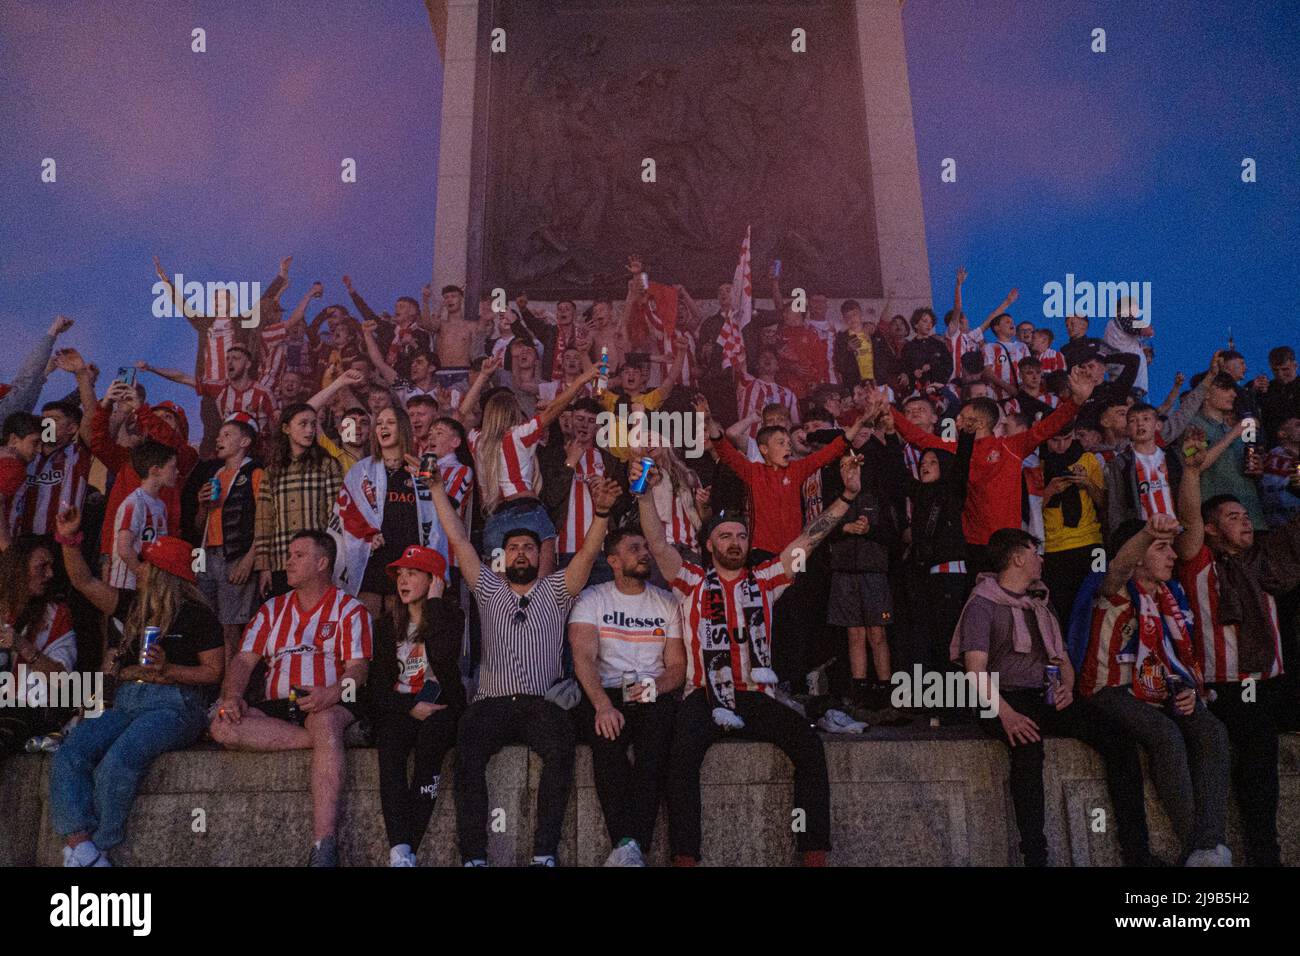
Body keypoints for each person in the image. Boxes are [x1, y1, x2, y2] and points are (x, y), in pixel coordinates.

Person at [634, 453, 862, 866]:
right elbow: (657, 543)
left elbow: (810, 538)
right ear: (709, 545)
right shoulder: (689, 581)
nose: (735, 543)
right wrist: (645, 496)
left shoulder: (768, 579)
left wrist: (846, 497)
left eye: (741, 536)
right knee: (680, 759)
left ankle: (813, 855)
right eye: (725, 536)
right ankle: (686, 858)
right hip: (704, 696)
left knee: (809, 746)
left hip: (755, 695)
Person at [427, 458, 620, 867]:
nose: (520, 553)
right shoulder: (489, 588)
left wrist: (601, 512)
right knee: (467, 754)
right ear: (503, 555)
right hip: (492, 702)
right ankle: (475, 857)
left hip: (541, 702)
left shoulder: (557, 589)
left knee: (562, 750)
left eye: (528, 547)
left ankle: (544, 854)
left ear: (539, 555)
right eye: (513, 547)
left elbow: (586, 553)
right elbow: (459, 540)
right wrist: (438, 491)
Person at [953, 528, 1155, 866]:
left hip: (1043, 695)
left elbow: (1062, 658)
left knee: (1118, 739)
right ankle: (1036, 856)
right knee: (1029, 749)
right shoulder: (982, 603)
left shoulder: (1040, 601)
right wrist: (1007, 715)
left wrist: (1066, 686)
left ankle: (1137, 853)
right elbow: (975, 670)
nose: (1041, 559)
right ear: (1017, 558)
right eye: (1035, 551)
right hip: (999, 698)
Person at [51, 505, 223, 867]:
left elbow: (213, 672)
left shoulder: (198, 615)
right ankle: (82, 848)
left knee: (118, 761)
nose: (137, 569)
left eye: (145, 564)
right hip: (129, 701)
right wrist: (68, 539)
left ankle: (98, 847)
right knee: (70, 752)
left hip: (175, 704)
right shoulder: (131, 605)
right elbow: (83, 582)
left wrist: (169, 668)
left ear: (164, 574)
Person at [210, 530, 373, 867]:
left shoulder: (350, 609)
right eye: (289, 554)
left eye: (299, 555)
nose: (288, 562)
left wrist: (332, 693)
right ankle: (324, 741)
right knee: (223, 726)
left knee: (325, 722)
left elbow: (359, 673)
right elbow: (243, 660)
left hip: (329, 700)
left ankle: (323, 846)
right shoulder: (271, 610)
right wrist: (233, 696)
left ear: (322, 562)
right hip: (279, 706)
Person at [1174, 435, 1300, 866]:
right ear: (1211, 528)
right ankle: (1260, 855)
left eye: (1247, 515)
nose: (1245, 522)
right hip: (1226, 688)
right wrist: (1191, 474)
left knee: (1263, 767)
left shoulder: (1262, 559)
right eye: (1233, 516)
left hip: (1271, 681)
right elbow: (1189, 518)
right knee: (1255, 768)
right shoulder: (1198, 560)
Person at [1077, 515, 1232, 865]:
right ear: (1139, 552)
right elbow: (1119, 566)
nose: (1173, 556)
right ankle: (1199, 848)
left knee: (1211, 730)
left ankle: (1209, 845)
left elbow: (1177, 658)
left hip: (1158, 691)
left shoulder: (1169, 595)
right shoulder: (1114, 586)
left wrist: (1189, 690)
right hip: (1108, 690)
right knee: (1165, 735)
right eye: (1161, 548)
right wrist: (1148, 532)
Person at [891, 366, 1096, 570]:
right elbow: (917, 437)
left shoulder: (1010, 447)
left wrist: (1076, 402)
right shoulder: (954, 450)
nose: (956, 421)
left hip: (1008, 544)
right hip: (971, 546)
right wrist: (885, 407)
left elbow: (1047, 428)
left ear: (979, 422)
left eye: (962, 417)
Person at [568, 527, 685, 866]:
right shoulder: (593, 598)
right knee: (607, 744)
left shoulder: (666, 601)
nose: (645, 553)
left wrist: (657, 686)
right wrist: (602, 705)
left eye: (646, 547)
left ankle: (628, 846)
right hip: (606, 691)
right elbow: (583, 659)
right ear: (614, 560)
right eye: (635, 548)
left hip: (653, 690)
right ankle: (628, 843)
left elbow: (677, 667)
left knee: (655, 749)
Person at [369, 545, 465, 867]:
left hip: (441, 709)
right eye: (400, 574)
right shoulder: (385, 627)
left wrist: (435, 604)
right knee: (390, 747)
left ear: (434, 579)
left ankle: (408, 846)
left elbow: (445, 659)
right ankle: (400, 850)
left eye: (413, 573)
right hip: (402, 707)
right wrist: (410, 706)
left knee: (430, 747)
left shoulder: (452, 617)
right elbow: (377, 687)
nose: (403, 580)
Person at [469, 366, 599, 578]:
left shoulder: (476, 440)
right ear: (514, 411)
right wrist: (582, 378)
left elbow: (461, 414)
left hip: (496, 518)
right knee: (541, 589)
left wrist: (482, 376)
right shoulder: (520, 435)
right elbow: (553, 410)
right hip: (528, 514)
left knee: (501, 593)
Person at [329, 404, 447, 616]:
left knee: (401, 628)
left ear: (402, 428)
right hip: (370, 560)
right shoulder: (361, 470)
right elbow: (346, 514)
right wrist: (366, 537)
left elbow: (437, 518)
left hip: (408, 562)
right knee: (366, 622)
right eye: (380, 423)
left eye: (390, 422)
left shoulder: (421, 469)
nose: (383, 427)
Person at [253, 404, 344, 598]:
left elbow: (337, 518)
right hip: (281, 561)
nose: (310, 430)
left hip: (317, 563)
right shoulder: (271, 472)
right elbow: (264, 522)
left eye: (313, 424)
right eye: (303, 424)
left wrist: (333, 560)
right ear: (286, 428)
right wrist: (264, 567)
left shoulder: (327, 465)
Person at [194, 415, 264, 659]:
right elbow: (199, 526)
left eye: (227, 435)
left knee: (231, 627)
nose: (219, 439)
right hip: (207, 556)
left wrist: (249, 559)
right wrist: (202, 506)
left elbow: (266, 520)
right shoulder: (214, 474)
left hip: (235, 555)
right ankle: (212, 679)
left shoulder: (255, 472)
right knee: (207, 623)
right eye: (219, 435)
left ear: (245, 441)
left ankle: (230, 690)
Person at [0, 537, 75, 753]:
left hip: (28, 712)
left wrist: (22, 645)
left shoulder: (55, 615)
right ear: (18, 569)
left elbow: (62, 680)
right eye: (42, 567)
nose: (50, 574)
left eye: (51, 567)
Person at [1039, 425, 1106, 626]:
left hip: (1092, 543)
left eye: (1066, 439)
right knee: (1062, 610)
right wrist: (1049, 491)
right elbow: (1027, 510)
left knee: (1098, 602)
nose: (1061, 446)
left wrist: (1087, 483)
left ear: (1075, 435)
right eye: (1054, 440)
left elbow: (1104, 503)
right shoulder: (1036, 465)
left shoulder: (1089, 460)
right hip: (1054, 547)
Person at [107, 441, 178, 590]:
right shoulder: (134, 503)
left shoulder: (161, 505)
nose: (177, 472)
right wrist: (142, 573)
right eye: (173, 467)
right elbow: (124, 548)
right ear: (155, 470)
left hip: (148, 586)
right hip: (127, 584)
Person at [0, 413, 43, 550]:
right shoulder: (13, 466)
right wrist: (7, 548)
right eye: (35, 442)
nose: (38, 450)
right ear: (13, 440)